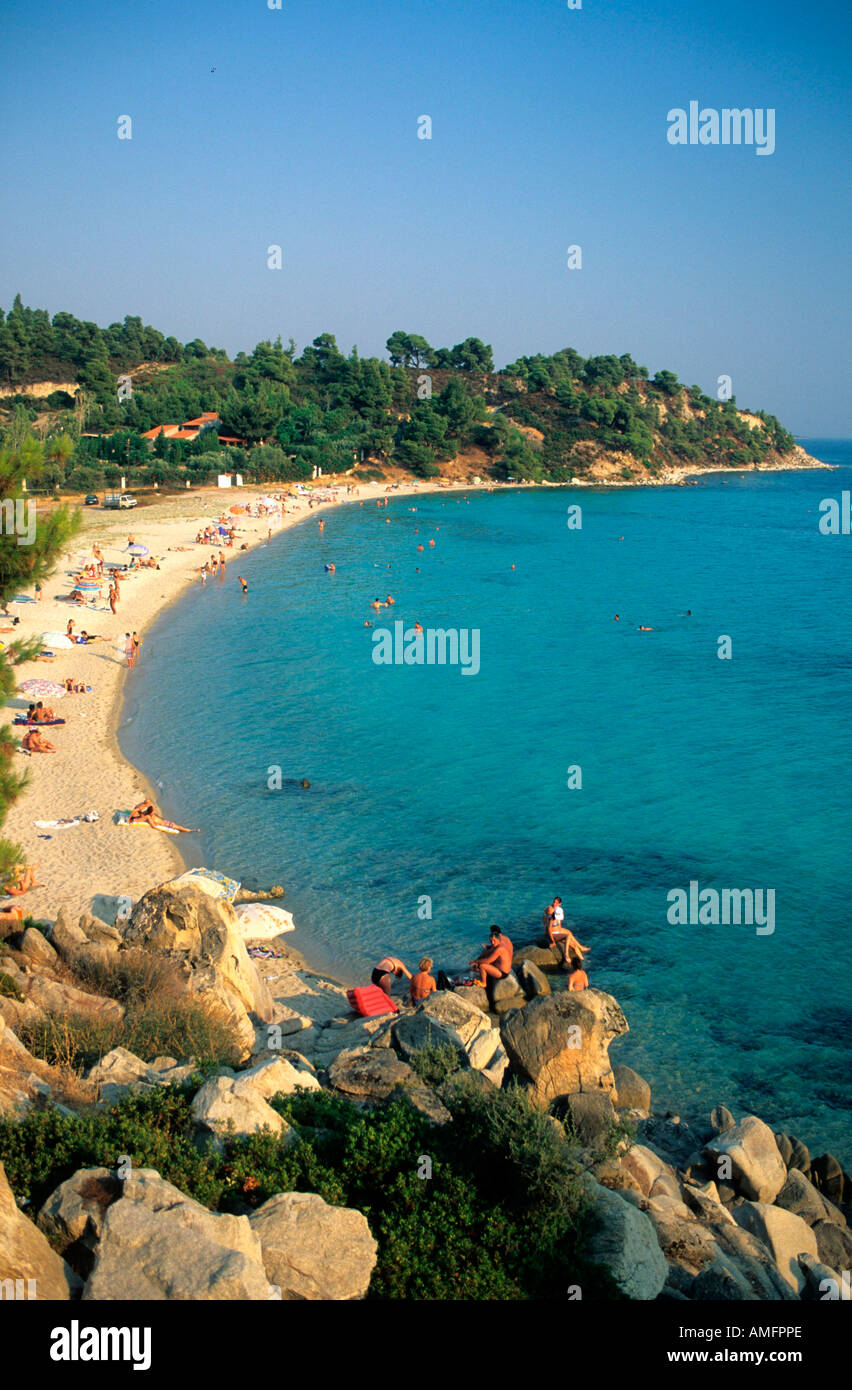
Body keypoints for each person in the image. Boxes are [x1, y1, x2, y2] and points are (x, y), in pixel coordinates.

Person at [127, 799, 198, 833]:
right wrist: (129, 820)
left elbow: (145, 812)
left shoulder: (149, 813)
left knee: (178, 826)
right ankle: (192, 830)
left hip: (165, 822)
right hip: (165, 824)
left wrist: (163, 820)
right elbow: (153, 825)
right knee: (178, 827)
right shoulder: (148, 816)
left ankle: (191, 830)